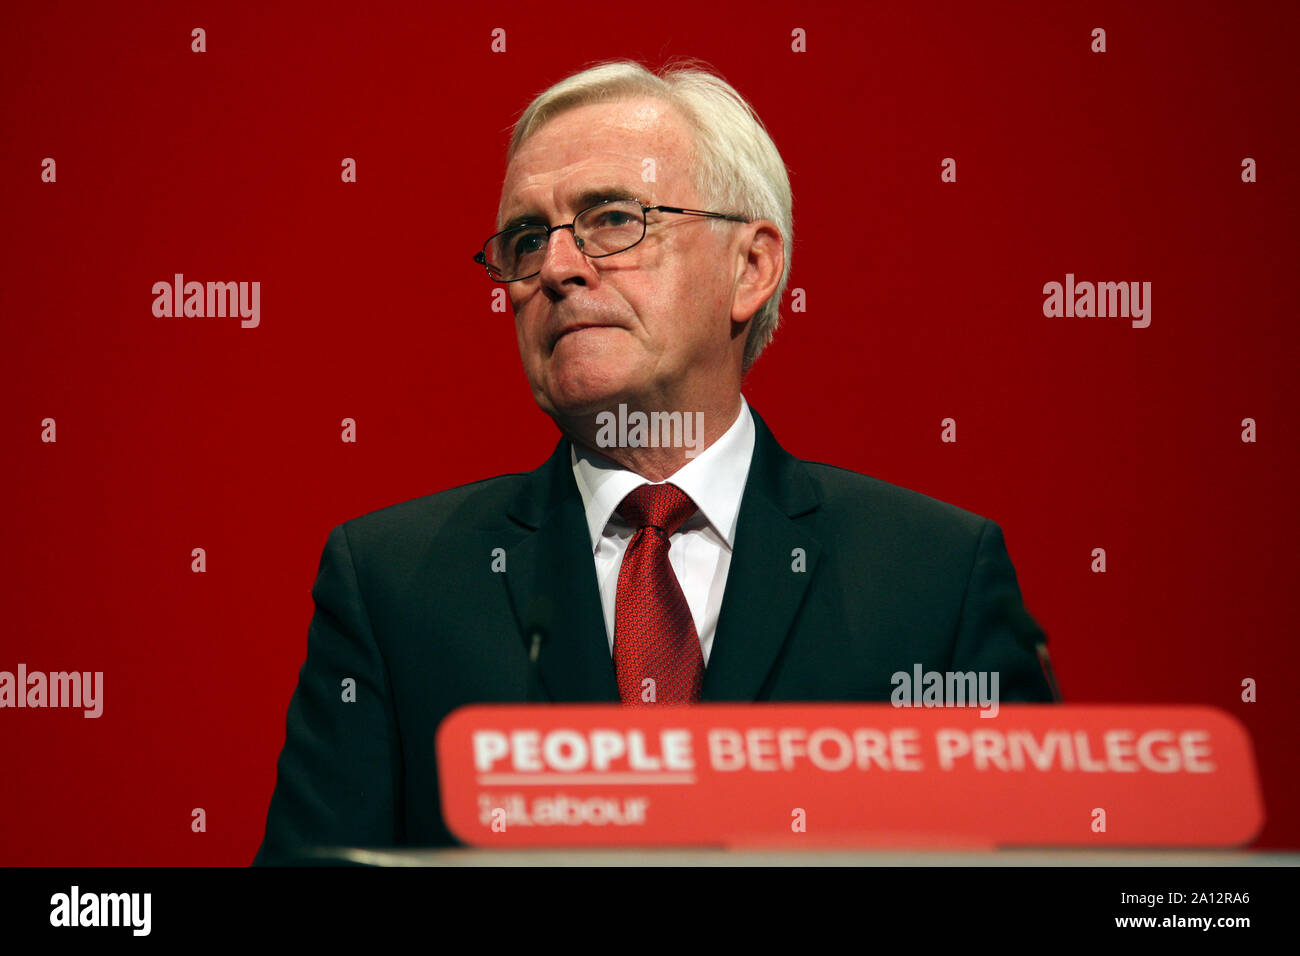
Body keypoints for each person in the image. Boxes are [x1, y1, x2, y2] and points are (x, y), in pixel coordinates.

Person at [253, 58, 1056, 863]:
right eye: (527, 239)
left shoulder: (935, 578)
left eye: (612, 219)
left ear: (751, 268)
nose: (559, 270)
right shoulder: (395, 583)